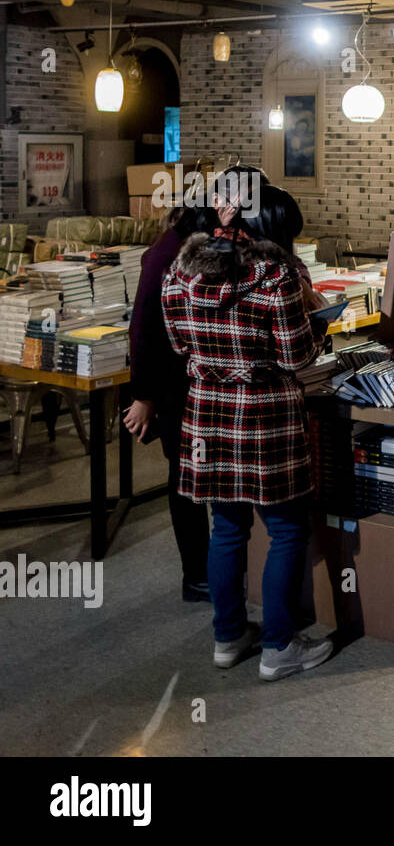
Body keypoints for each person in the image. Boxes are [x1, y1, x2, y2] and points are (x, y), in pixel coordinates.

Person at [161, 184, 332, 682]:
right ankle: (279, 646)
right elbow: (295, 356)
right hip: (264, 414)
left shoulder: (181, 271)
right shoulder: (275, 275)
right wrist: (320, 327)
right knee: (284, 531)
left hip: (206, 411)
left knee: (227, 528)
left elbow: (176, 342)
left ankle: (228, 636)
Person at [124, 203, 218, 602]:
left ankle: (206, 571)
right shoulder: (165, 257)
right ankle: (197, 575)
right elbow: (142, 329)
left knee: (192, 478)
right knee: (185, 480)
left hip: (187, 381)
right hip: (174, 386)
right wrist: (143, 396)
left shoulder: (178, 250)